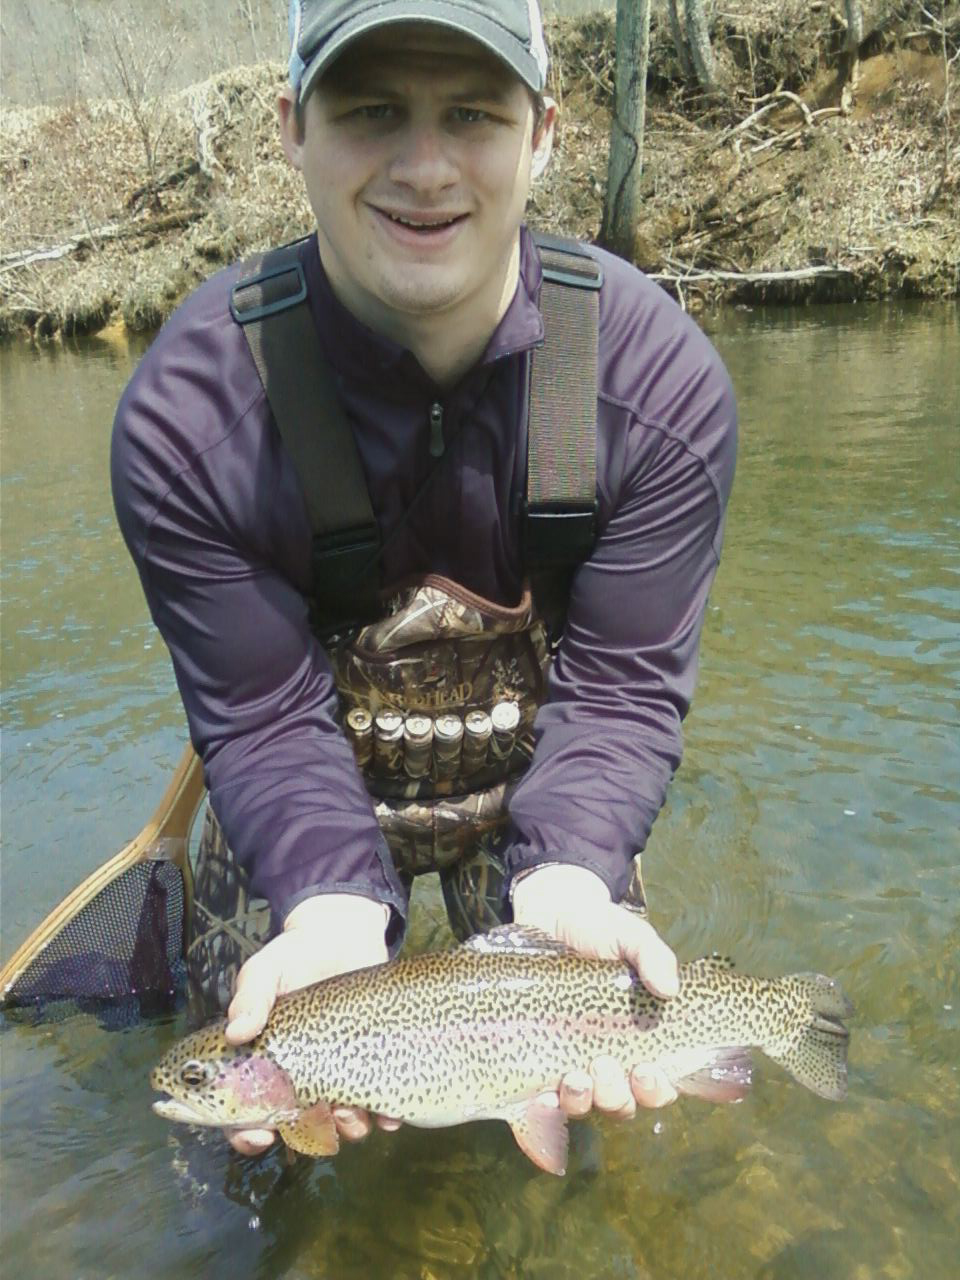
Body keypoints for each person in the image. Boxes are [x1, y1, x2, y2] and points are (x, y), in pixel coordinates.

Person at [111, 0, 737, 1158]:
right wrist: (331, 900)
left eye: (472, 113)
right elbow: (257, 714)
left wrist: (579, 869)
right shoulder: (190, 424)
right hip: (301, 791)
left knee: (581, 1116)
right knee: (245, 1165)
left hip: (549, 780)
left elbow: (622, 689)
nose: (426, 165)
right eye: (371, 111)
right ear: (291, 127)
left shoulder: (657, 394)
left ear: (544, 133)